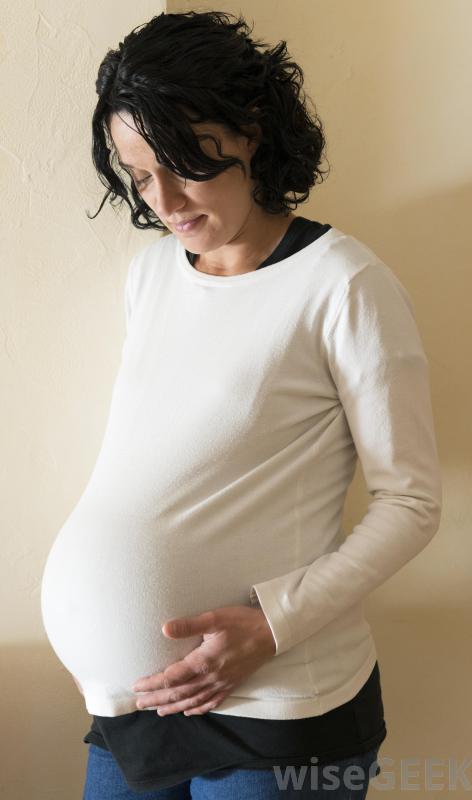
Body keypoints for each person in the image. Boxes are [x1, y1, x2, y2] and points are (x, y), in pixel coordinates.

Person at [39, 10, 443, 799]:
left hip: (277, 703)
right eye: (138, 175)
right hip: (134, 710)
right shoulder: (151, 277)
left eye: (184, 163)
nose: (164, 200)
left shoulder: (342, 283)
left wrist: (271, 626)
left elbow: (412, 501)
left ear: (249, 132)